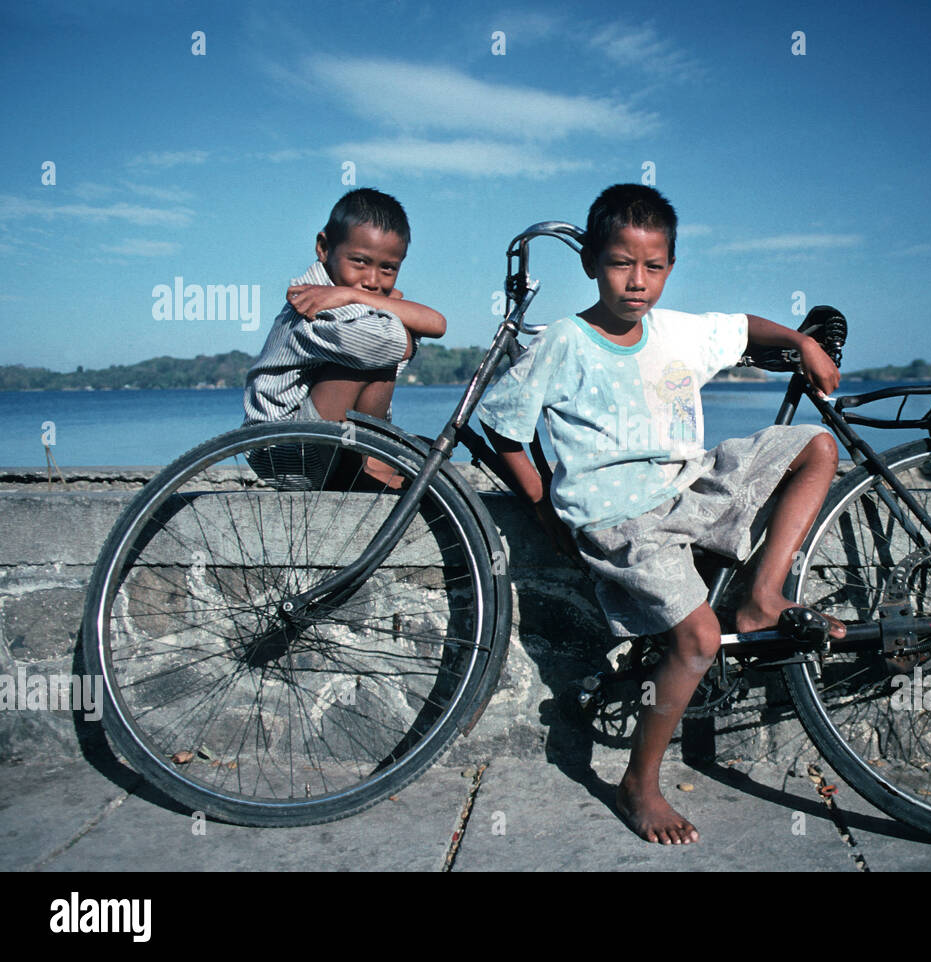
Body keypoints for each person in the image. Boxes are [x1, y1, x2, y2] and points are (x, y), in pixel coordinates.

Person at [477, 184, 845, 844]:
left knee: (817, 445)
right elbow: (504, 428)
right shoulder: (564, 341)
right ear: (591, 262)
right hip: (622, 522)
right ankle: (638, 784)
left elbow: (742, 330)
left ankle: (762, 595)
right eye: (621, 263)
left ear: (670, 268)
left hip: (691, 488)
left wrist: (799, 342)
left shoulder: (677, 331)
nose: (637, 281)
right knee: (699, 639)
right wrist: (542, 511)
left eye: (653, 266)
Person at [243, 188, 446, 484]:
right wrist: (396, 311)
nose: (372, 281)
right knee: (367, 362)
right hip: (284, 453)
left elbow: (437, 323)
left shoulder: (345, 296)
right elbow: (400, 342)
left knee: (375, 363)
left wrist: (351, 294)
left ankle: (365, 466)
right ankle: (369, 468)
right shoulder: (314, 304)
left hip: (315, 443)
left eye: (388, 268)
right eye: (360, 262)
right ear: (324, 248)